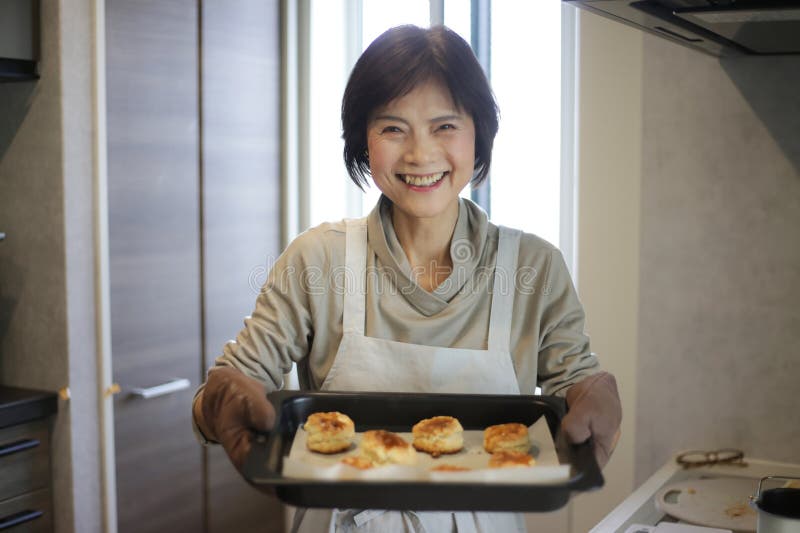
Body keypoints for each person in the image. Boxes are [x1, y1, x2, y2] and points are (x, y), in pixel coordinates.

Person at [192, 24, 622, 533]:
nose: (420, 154)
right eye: (393, 128)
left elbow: (575, 379)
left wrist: (595, 390)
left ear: (478, 132)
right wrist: (219, 399)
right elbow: (231, 385)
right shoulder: (317, 261)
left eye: (444, 126)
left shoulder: (534, 267)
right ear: (363, 139)